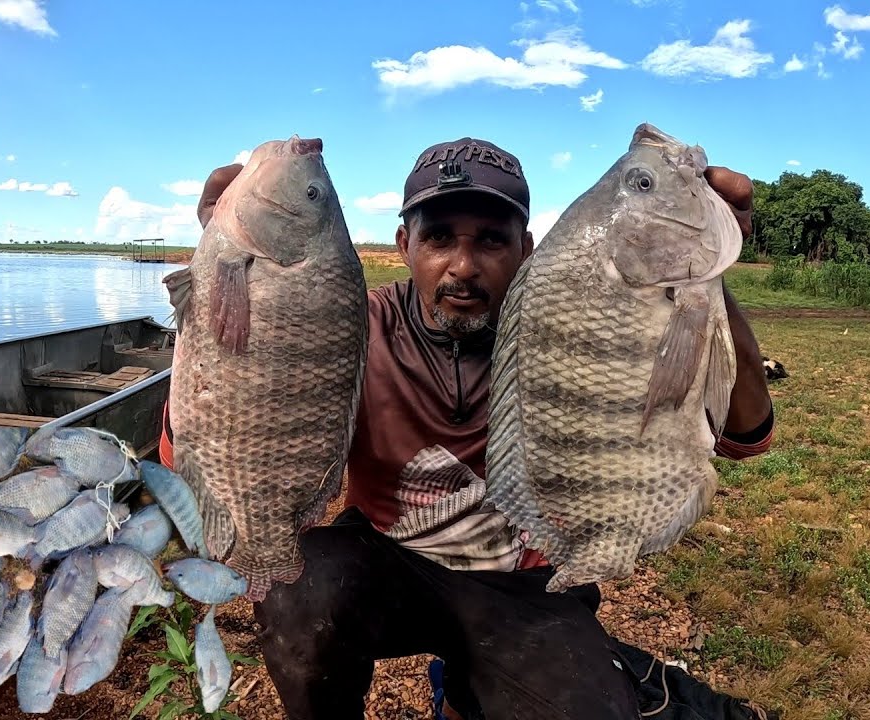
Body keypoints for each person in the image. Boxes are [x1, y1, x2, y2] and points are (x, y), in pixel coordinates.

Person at [161, 136, 778, 720]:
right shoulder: (346, 320)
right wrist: (219, 279)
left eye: (490, 240)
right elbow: (219, 422)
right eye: (438, 239)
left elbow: (745, 437)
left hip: (526, 584)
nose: (462, 266)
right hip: (385, 559)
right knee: (302, 597)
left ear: (526, 247)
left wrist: (705, 283)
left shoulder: (581, 326)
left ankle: (476, 687)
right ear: (405, 243)